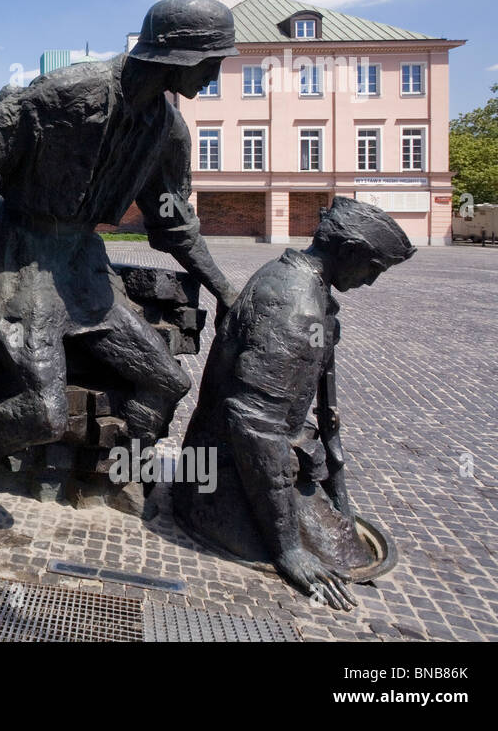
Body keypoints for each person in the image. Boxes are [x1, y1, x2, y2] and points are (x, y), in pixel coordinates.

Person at [0, 0, 240, 458]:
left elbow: (173, 222)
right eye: (210, 63)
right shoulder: (73, 90)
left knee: (169, 382)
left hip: (82, 267)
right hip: (22, 259)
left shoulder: (167, 131)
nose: (214, 76)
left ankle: (119, 470)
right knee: (44, 414)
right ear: (180, 58)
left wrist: (225, 289)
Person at [172, 197, 416, 610]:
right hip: (221, 476)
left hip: (252, 459)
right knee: (341, 555)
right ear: (350, 252)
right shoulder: (296, 305)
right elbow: (255, 427)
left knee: (349, 549)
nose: (371, 281)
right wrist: (288, 550)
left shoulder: (295, 279)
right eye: (374, 268)